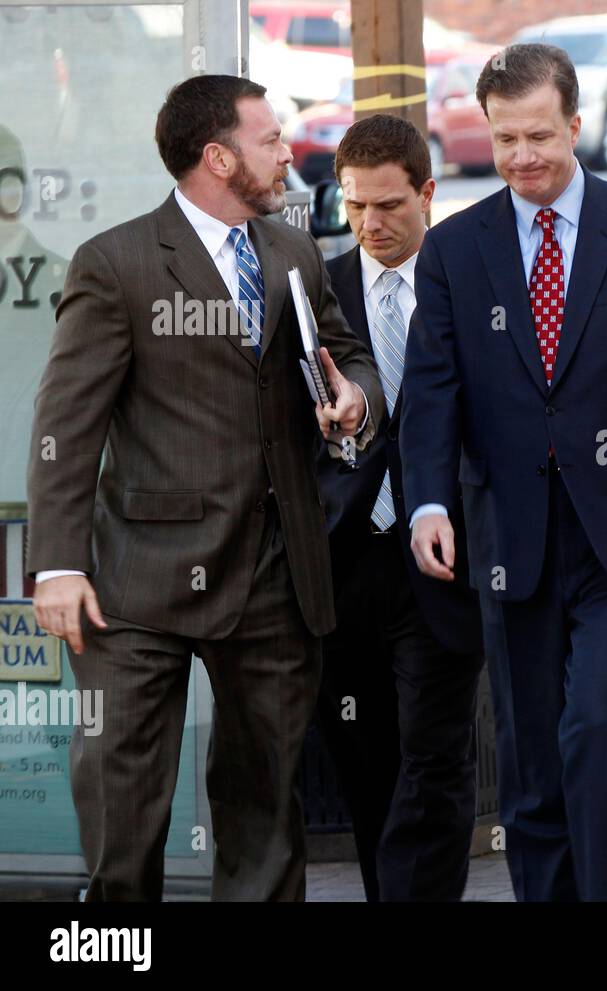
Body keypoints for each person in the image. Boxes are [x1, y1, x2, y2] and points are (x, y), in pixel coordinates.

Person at [26, 74, 383, 901]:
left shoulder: (293, 252)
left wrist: (353, 395)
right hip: (136, 580)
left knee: (267, 807)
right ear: (218, 157)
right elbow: (66, 426)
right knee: (124, 806)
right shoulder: (115, 265)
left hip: (273, 571)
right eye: (269, 140)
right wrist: (56, 566)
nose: (288, 152)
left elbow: (346, 352)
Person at [401, 43, 607, 901]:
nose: (522, 157)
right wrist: (428, 501)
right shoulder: (455, 250)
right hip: (509, 538)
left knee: (598, 730)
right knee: (531, 750)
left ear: (576, 124)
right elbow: (433, 391)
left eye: (539, 134)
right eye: (505, 139)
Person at [313, 113, 484, 901]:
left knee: (435, 754)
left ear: (427, 192)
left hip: (443, 557)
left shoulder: (473, 284)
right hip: (347, 561)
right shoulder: (317, 293)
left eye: (389, 206)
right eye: (355, 208)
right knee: (363, 755)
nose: (371, 225)